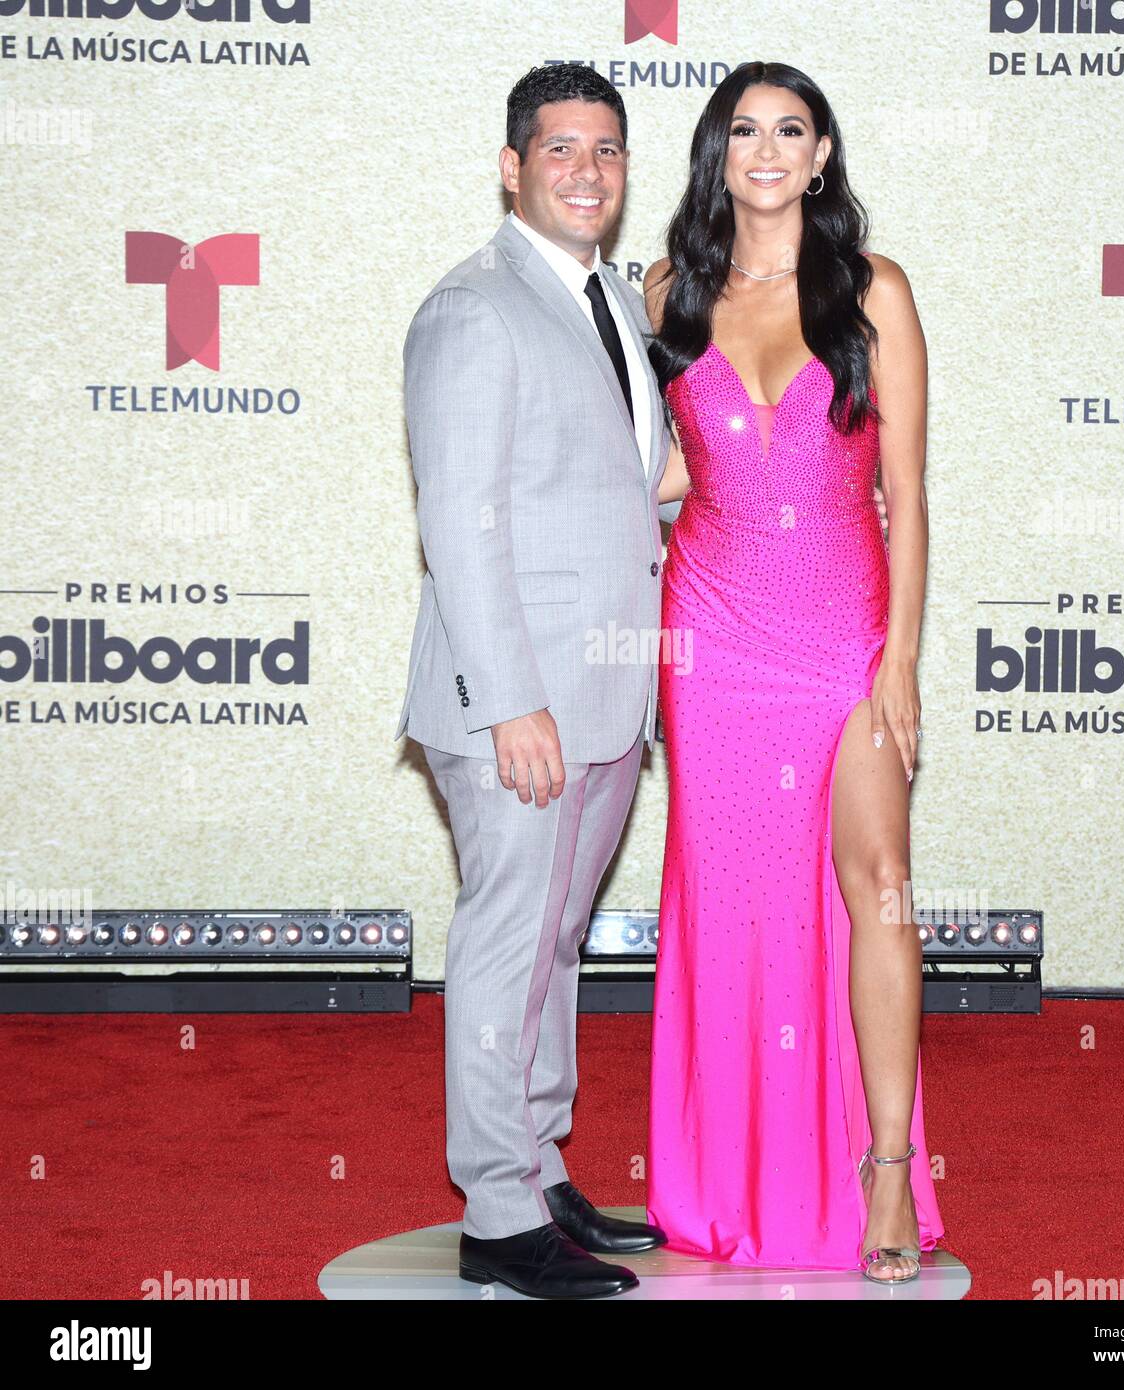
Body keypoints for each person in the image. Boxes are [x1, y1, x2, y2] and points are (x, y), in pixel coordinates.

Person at [644, 61, 946, 1280]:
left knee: (879, 884)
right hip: (711, 640)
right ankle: (731, 1175)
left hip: (844, 638)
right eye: (743, 130)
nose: (766, 149)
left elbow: (906, 492)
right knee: (732, 909)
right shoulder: (668, 289)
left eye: (791, 130)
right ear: (718, 153)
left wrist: (905, 657)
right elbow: (663, 469)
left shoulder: (874, 289)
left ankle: (884, 1170)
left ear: (822, 154)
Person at [393, 63, 670, 1300]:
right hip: (521, 702)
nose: (586, 172)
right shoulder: (474, 309)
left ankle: (540, 1166)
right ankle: (498, 1213)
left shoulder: (609, 295)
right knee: (510, 942)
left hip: (604, 693)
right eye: (561, 149)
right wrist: (512, 702)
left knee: (554, 939)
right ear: (512, 165)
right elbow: (460, 522)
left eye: (606, 151)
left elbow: (627, 479)